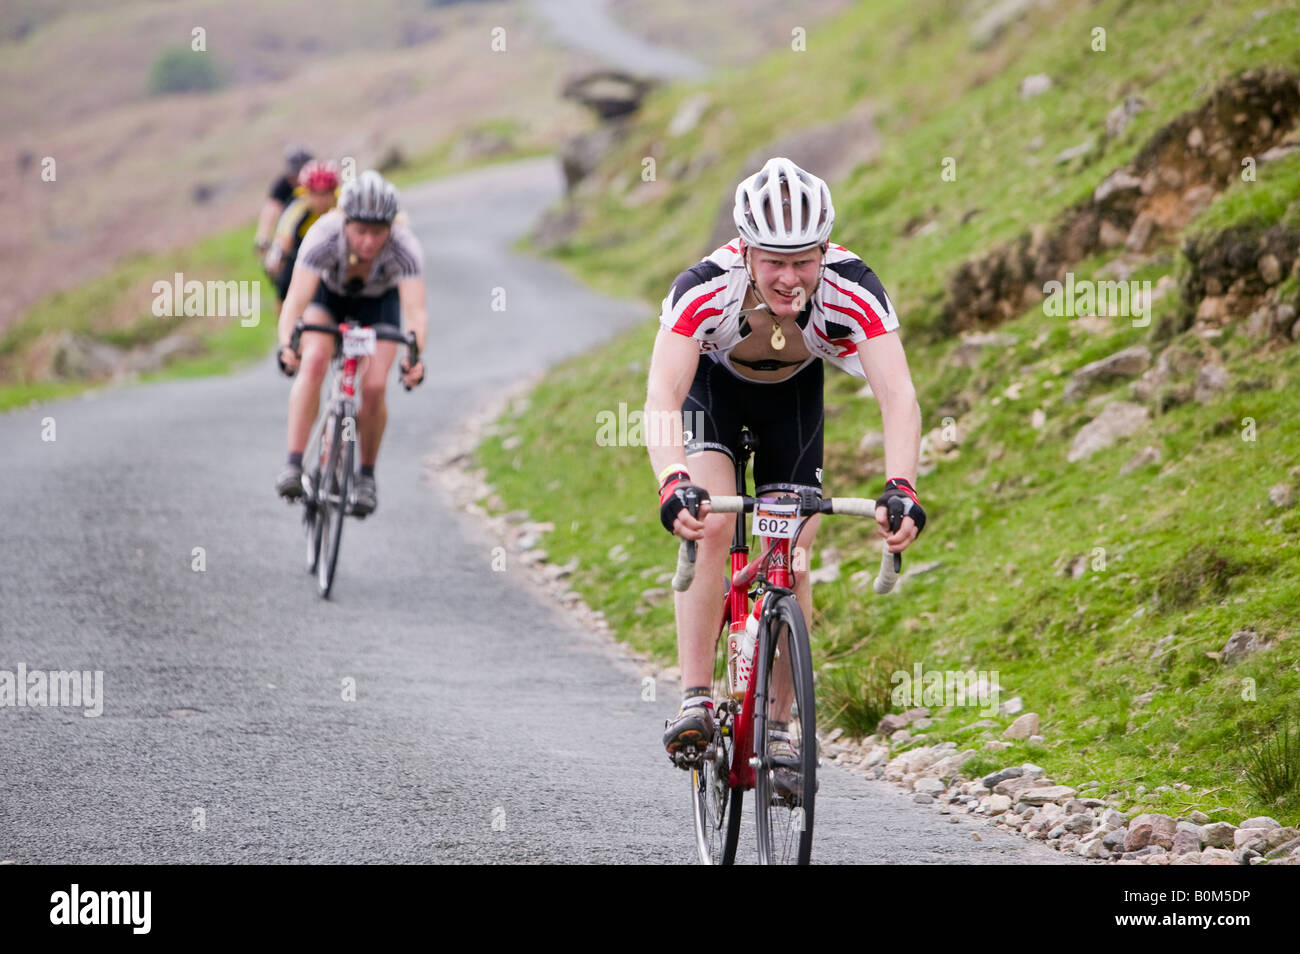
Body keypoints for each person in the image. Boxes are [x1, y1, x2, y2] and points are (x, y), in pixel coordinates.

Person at [645, 157, 927, 775]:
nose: (791, 278)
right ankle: (695, 697)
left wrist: (901, 486)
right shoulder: (702, 286)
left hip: (793, 401)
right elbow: (663, 394)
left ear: (825, 249)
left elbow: (898, 395)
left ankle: (777, 729)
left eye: (804, 259)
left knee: (792, 554)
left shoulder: (852, 286)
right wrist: (675, 482)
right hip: (712, 395)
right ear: (744, 251)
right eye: (774, 260)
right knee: (713, 523)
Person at [275, 171, 427, 517]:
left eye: (378, 232)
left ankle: (365, 477)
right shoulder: (323, 236)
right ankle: (293, 465)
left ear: (392, 226)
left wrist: (414, 357)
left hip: (379, 305)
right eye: (361, 231)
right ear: (345, 223)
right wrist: (288, 343)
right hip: (328, 299)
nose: (370, 242)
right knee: (313, 361)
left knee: (374, 386)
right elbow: (296, 301)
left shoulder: (405, 247)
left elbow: (416, 313)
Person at [265, 160, 341, 310]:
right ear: (306, 192)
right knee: (285, 283)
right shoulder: (299, 208)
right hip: (302, 252)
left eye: (326, 193)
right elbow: (284, 236)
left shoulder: (342, 204)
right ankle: (284, 325)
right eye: (315, 193)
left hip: (336, 251)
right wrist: (275, 258)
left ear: (334, 191)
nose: (320, 200)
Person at [255, 145, 313, 257]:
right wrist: (263, 237)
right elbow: (271, 209)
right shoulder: (283, 185)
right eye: (295, 174)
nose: (299, 179)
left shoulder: (320, 185)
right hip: (294, 235)